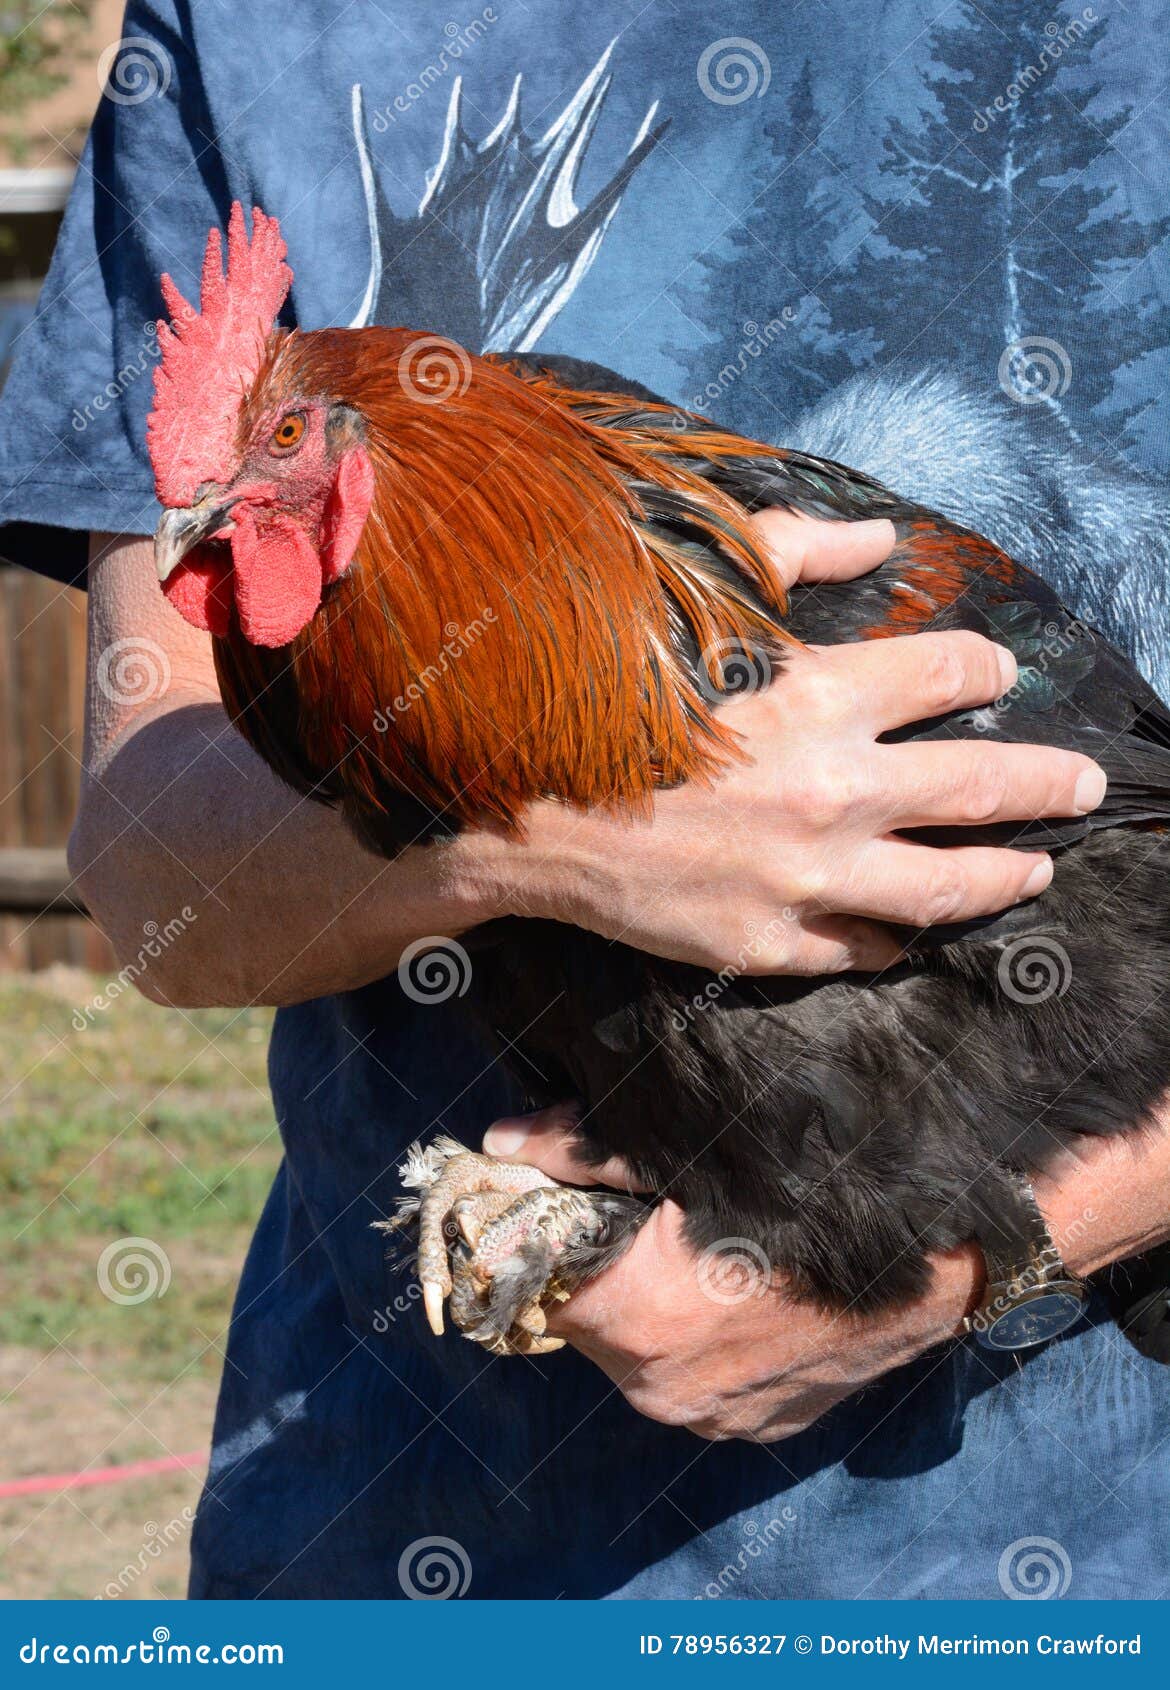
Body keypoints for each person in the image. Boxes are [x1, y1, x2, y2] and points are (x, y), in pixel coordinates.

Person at [2, 1, 1167, 1600]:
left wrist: (980, 1252)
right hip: (417, 1527)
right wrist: (568, 835)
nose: (202, 499)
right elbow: (151, 855)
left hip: (1079, 1562)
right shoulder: (242, 27)